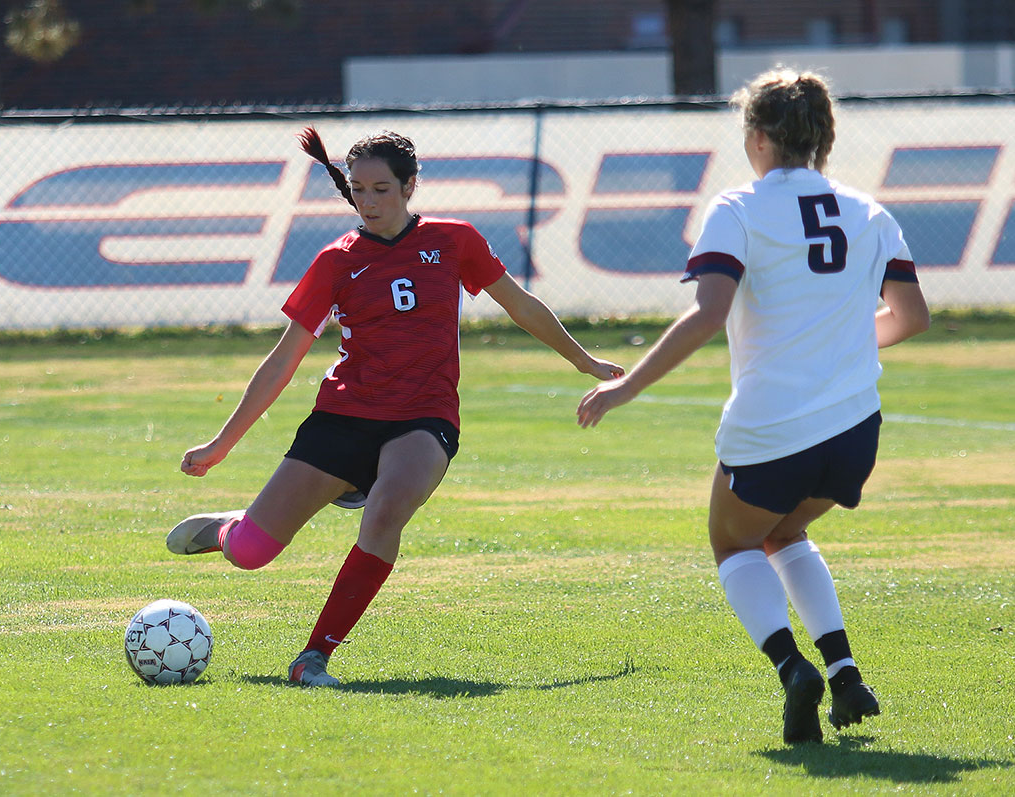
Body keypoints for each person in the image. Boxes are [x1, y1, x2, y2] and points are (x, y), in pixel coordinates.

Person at [168, 127, 623, 687]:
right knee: (253, 554)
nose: (368, 201)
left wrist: (584, 362)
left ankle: (314, 658)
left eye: (382, 189)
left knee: (385, 514)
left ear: (410, 186)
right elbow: (284, 359)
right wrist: (221, 445)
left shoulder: (454, 241)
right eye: (358, 189)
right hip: (343, 415)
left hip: (423, 416)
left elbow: (522, 306)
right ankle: (227, 531)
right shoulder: (336, 260)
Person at [576, 69, 930, 744]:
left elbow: (708, 314)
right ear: (824, 137)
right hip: (856, 428)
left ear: (759, 137)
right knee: (785, 532)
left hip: (773, 422)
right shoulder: (869, 211)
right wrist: (843, 339)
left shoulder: (737, 207)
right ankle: (846, 671)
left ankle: (793, 667)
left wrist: (627, 386)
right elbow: (911, 316)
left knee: (733, 540)